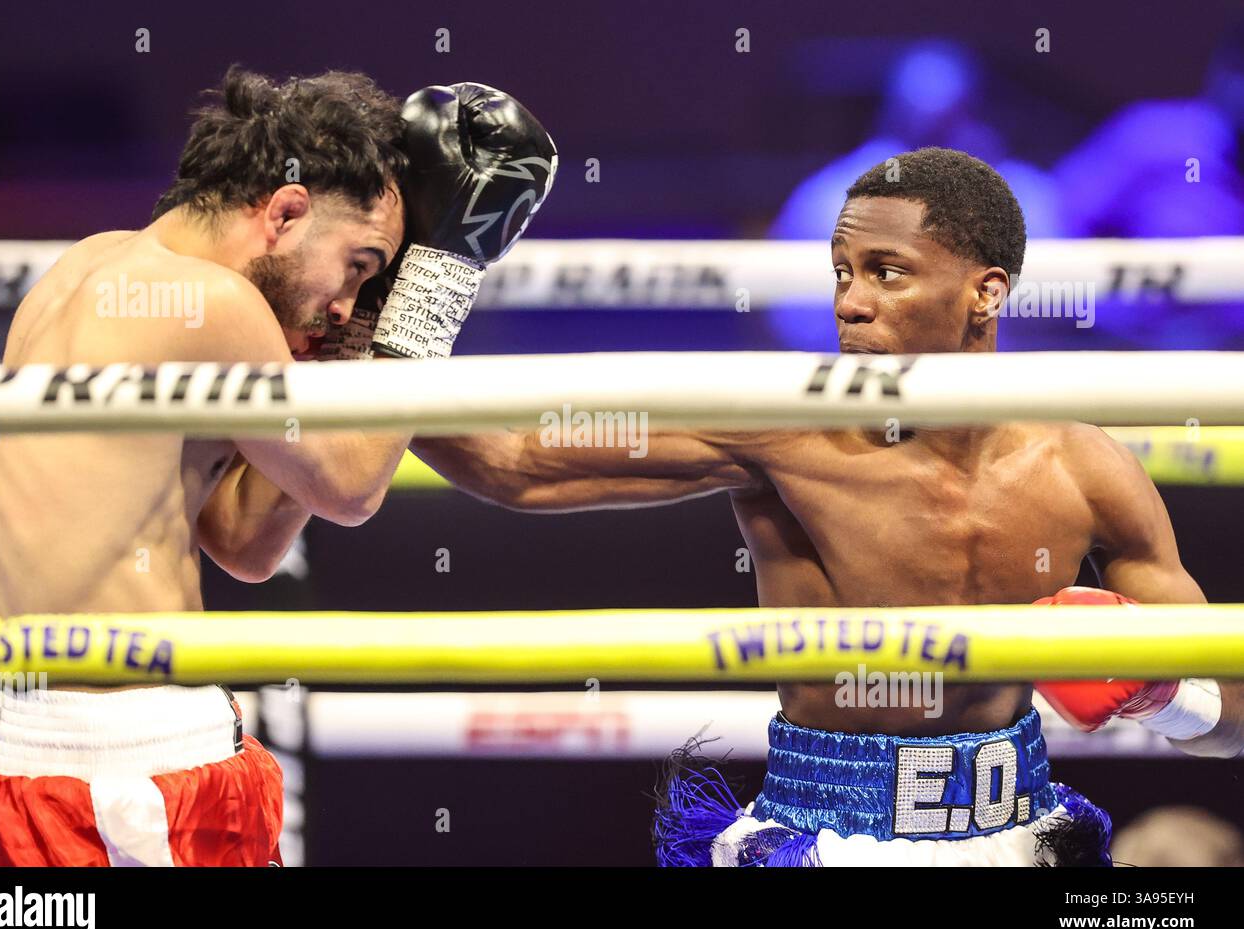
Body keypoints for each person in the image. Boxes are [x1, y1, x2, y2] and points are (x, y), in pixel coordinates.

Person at [411, 147, 1241, 866]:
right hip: (824, 838)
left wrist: (1163, 692)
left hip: (1018, 834)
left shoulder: (1087, 467)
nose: (851, 300)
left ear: (985, 293)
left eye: (888, 272)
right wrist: (421, 283)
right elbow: (511, 465)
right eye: (842, 273)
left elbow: (1232, 721)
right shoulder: (784, 426)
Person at [0, 66, 556, 866]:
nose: (351, 304)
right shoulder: (215, 304)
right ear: (286, 211)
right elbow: (351, 487)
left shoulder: (89, 272)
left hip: (41, 764)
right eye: (360, 263)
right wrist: (438, 276)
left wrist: (351, 329)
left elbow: (246, 541)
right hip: (140, 776)